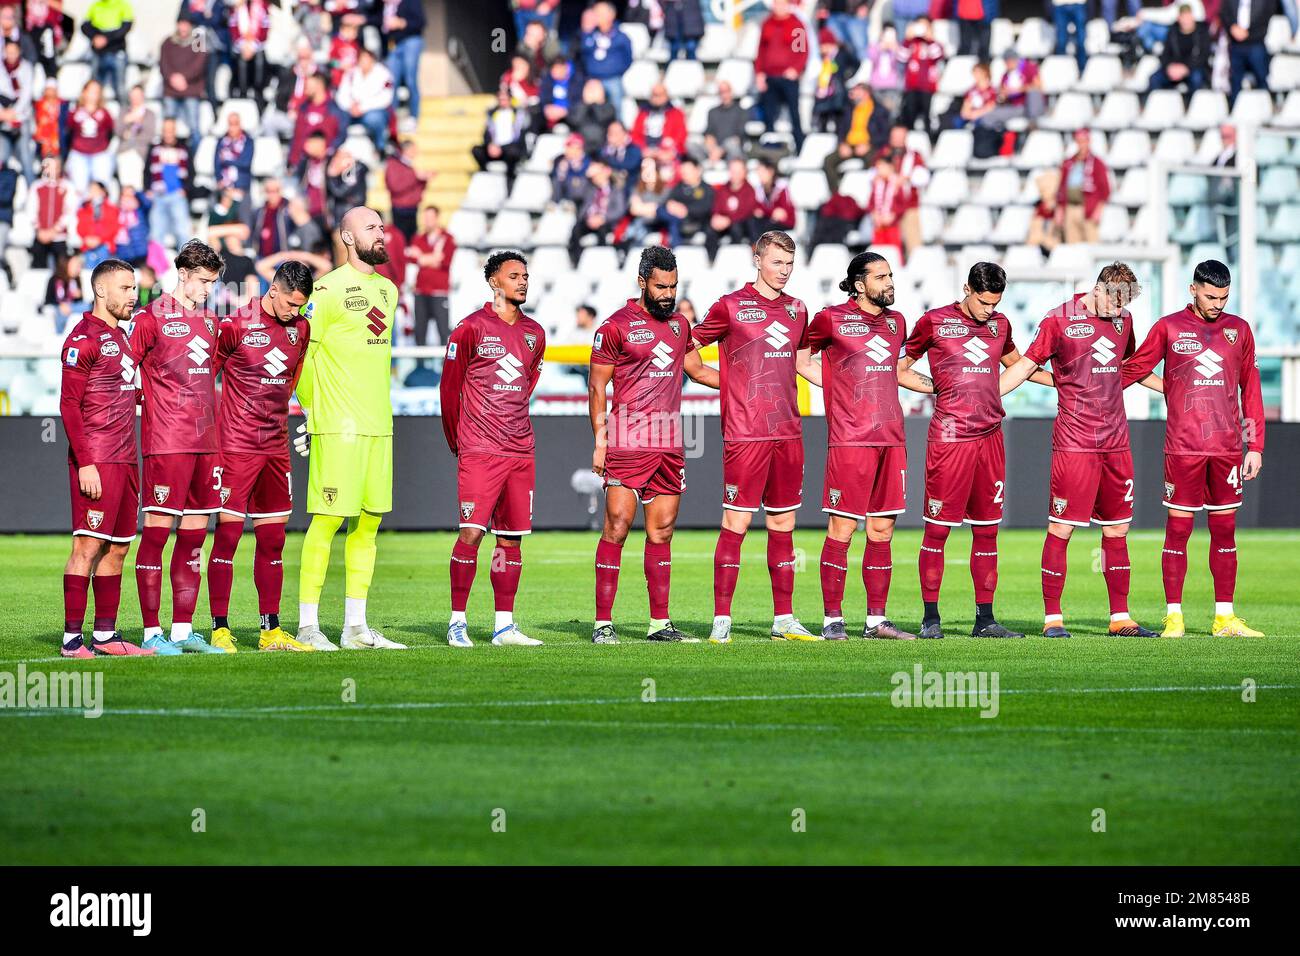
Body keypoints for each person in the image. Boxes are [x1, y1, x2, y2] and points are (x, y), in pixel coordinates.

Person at [1000, 262, 1163, 638]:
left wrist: (1178, 388)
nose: (1117, 312)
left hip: (1117, 441)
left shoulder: (1125, 321)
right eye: (1113, 303)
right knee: (1062, 526)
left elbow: (1131, 366)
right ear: (1099, 289)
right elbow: (1026, 365)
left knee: (1117, 528)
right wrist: (988, 396)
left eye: (1124, 305)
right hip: (1075, 442)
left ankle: (1120, 617)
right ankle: (1053, 619)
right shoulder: (1058, 320)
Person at [898, 262, 1053, 639]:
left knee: (986, 532)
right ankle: (930, 618)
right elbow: (900, 368)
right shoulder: (933, 322)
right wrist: (937, 388)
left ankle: (985, 620)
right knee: (938, 531)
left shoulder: (1001, 325)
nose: (989, 310)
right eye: (983, 302)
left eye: (995, 303)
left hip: (991, 437)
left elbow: (1019, 366)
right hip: (950, 438)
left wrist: (1066, 383)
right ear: (966, 288)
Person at [1121, 259, 1266, 638]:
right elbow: (1134, 369)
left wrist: (1256, 445)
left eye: (1223, 297)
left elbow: (1250, 388)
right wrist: (1090, 388)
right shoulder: (1169, 327)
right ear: (1193, 289)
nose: (1217, 303)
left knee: (1225, 532)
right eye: (1211, 295)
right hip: (1184, 448)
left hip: (1228, 448)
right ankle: (1174, 616)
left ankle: (1224, 618)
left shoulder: (1240, 330)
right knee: (1178, 531)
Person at [693, 231, 821, 644]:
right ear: (757, 259)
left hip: (788, 430)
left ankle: (783, 619)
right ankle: (722, 620)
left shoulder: (799, 309)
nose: (783, 271)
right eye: (776, 262)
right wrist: (718, 381)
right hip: (746, 433)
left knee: (784, 524)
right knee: (737, 523)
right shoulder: (730, 307)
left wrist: (848, 389)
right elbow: (686, 346)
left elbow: (803, 362)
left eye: (789, 263)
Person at [588, 245, 721, 644]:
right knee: (617, 527)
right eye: (661, 286)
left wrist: (745, 385)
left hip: (669, 443)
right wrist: (600, 441)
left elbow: (696, 370)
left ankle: (659, 624)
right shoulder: (615, 326)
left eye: (674, 286)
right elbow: (597, 385)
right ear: (642, 282)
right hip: (627, 441)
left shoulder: (681, 326)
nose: (668, 294)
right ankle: (602, 624)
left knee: (661, 532)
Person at [804, 252, 933, 640]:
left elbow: (896, 372)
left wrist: (941, 386)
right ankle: (832, 620)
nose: (889, 282)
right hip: (851, 440)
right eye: (880, 276)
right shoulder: (830, 318)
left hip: (892, 438)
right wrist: (837, 388)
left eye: (890, 274)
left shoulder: (897, 322)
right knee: (842, 528)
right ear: (860, 285)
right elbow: (799, 358)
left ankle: (876, 620)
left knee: (882, 530)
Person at [293, 206, 406, 650]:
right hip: (337, 425)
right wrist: (309, 412)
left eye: (381, 227)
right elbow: (301, 354)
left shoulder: (390, 291)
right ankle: (307, 626)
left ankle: (355, 628)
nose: (380, 234)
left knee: (369, 524)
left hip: (379, 423)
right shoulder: (325, 291)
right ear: (346, 236)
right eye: (370, 228)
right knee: (327, 521)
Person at [439, 251, 547, 647]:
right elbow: (449, 390)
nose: (522, 281)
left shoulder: (535, 332)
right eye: (514, 275)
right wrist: (459, 441)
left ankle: (504, 625)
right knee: (471, 533)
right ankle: (457, 621)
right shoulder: (470, 328)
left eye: (525, 275)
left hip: (519, 450)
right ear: (493, 282)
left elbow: (527, 384)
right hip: (480, 449)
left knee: (511, 538)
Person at [207, 260, 315, 653]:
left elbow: (291, 381)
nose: (294, 312)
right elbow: (206, 379)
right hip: (234, 446)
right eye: (290, 303)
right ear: (273, 290)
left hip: (275, 447)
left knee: (273, 541)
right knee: (229, 536)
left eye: (301, 306)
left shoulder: (301, 328)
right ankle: (220, 628)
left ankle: (270, 630)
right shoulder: (235, 324)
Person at [128, 239, 229, 655]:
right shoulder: (149, 318)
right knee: (155, 536)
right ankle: (152, 634)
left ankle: (183, 631)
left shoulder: (211, 322)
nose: (208, 289)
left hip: (207, 444)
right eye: (203, 281)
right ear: (183, 274)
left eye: (213, 282)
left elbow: (214, 374)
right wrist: (147, 402)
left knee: (193, 540)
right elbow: (122, 371)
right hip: (167, 443)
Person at [58, 258, 154, 658]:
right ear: (101, 291)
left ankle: (105, 635)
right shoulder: (82, 340)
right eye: (126, 288)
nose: (134, 295)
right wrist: (86, 463)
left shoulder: (125, 339)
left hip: (127, 458)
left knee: (117, 547)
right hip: (96, 459)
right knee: (87, 546)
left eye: (135, 288)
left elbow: (127, 392)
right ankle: (71, 639)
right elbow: (68, 405)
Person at [754, 0, 810, 151]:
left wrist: (796, 69)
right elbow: (761, 50)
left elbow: (802, 51)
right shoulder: (767, 24)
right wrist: (759, 73)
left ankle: (800, 146)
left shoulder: (795, 24)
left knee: (794, 113)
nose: (778, 7)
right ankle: (770, 147)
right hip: (770, 76)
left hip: (788, 78)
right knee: (769, 113)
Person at [160, 15, 208, 153]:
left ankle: (191, 158)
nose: (183, 27)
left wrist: (184, 77)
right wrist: (172, 78)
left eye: (186, 23)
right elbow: (164, 64)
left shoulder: (197, 41)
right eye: (181, 23)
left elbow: (200, 64)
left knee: (194, 127)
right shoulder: (168, 42)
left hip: (191, 90)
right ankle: (170, 155)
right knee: (168, 127)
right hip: (171, 90)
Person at [409, 206, 455, 349]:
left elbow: (444, 261)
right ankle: (420, 368)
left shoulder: (447, 238)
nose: (427, 221)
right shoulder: (418, 238)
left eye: (430, 217)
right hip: (421, 291)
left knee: (443, 331)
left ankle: (446, 367)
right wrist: (433, 258)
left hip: (439, 292)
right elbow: (413, 259)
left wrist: (422, 257)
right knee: (420, 332)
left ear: (437, 218)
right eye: (425, 217)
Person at [337, 47, 397, 153]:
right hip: (351, 110)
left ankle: (380, 148)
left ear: (372, 59)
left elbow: (385, 97)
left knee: (374, 119)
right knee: (338, 118)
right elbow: (342, 94)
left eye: (367, 58)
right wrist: (350, 106)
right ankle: (338, 149)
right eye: (362, 58)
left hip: (373, 110)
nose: (364, 62)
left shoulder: (384, 74)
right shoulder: (351, 73)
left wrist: (362, 107)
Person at [1056, 129, 1110, 245]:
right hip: (1070, 208)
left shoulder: (1097, 163)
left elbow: (1105, 189)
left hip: (1088, 208)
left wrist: (1098, 210)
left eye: (1084, 141)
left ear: (1089, 141)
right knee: (1072, 245)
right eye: (1079, 141)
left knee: (1092, 244)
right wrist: (1060, 209)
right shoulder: (1069, 162)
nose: (1082, 144)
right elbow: (1062, 186)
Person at [568, 159, 627, 266]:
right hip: (588, 220)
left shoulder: (616, 190)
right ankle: (577, 261)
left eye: (598, 172)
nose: (595, 175)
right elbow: (575, 194)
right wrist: (585, 175)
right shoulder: (589, 188)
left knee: (602, 231)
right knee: (576, 230)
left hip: (605, 222)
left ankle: (602, 262)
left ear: (607, 171)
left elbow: (619, 210)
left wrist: (603, 218)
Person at [146, 117, 192, 250]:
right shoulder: (154, 149)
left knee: (182, 232)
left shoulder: (184, 149)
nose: (168, 133)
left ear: (175, 131)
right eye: (165, 130)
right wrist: (147, 188)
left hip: (177, 195)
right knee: (156, 233)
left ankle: (186, 264)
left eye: (171, 130)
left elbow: (190, 171)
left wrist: (185, 189)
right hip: (158, 195)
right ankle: (157, 267)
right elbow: (147, 170)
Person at [579, 2, 633, 111]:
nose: (597, 16)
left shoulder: (621, 37)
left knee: (616, 104)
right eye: (596, 13)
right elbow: (583, 55)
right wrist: (585, 31)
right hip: (592, 79)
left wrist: (615, 71)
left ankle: (617, 126)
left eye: (601, 13)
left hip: (612, 79)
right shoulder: (589, 35)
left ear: (612, 15)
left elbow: (628, 58)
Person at [471, 89, 530, 187]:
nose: (503, 102)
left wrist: (502, 148)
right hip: (494, 147)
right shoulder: (492, 114)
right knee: (476, 150)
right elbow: (487, 134)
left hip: (510, 147)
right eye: (500, 99)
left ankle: (510, 182)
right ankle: (486, 176)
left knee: (513, 153)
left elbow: (520, 136)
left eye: (505, 99)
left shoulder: (518, 114)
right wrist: (490, 145)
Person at [65, 80, 114, 194]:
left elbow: (110, 132)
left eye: (96, 91)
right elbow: (69, 132)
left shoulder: (104, 113)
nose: (93, 94)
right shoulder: (75, 113)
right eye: (91, 91)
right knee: (79, 189)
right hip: (79, 153)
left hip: (99, 153)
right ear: (84, 92)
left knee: (101, 187)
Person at [1223, 0, 1276, 103]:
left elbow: (1266, 17)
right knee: (1235, 80)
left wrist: (1248, 34)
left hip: (1256, 43)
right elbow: (1224, 14)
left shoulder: (1264, 2)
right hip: (1236, 44)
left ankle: (1265, 105)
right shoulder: (1230, 2)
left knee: (1261, 76)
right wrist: (1232, 28)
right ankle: (1234, 107)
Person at [899, 17, 943, 139]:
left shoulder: (933, 44)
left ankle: (929, 139)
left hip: (927, 87)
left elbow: (937, 56)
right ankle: (909, 138)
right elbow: (901, 58)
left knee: (927, 114)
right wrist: (907, 39)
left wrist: (930, 40)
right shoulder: (912, 44)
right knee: (910, 112)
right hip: (911, 86)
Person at [81, 0, 133, 104]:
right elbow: (85, 26)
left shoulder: (122, 4)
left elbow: (126, 27)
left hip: (117, 52)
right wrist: (95, 37)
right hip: (98, 53)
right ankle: (95, 115)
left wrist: (106, 39)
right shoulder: (96, 5)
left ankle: (125, 115)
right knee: (95, 87)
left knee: (120, 88)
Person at [383, 0, 427, 123]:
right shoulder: (385, 6)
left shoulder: (410, 2)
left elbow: (421, 22)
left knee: (410, 79)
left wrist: (402, 23)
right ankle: (391, 121)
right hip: (393, 44)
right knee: (391, 81)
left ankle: (414, 116)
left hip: (411, 41)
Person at [812, 28, 860, 134]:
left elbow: (856, 63)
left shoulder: (842, 54)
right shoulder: (822, 58)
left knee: (839, 119)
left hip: (838, 92)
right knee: (823, 118)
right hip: (824, 93)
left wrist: (848, 75)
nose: (822, 49)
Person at [288, 73, 342, 167]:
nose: (305, 89)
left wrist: (325, 150)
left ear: (319, 85)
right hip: (301, 164)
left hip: (323, 165)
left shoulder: (334, 111)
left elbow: (338, 137)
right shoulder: (303, 108)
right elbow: (297, 137)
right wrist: (291, 162)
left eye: (308, 85)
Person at [0, 38, 35, 183]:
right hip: (2, 119)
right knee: (2, 157)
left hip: (21, 117)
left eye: (14, 52)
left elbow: (26, 94)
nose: (11, 55)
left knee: (26, 157)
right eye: (8, 52)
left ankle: (31, 188)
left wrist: (14, 113)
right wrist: (4, 113)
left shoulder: (26, 68)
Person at [709, 157, 758, 256]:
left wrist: (729, 220)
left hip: (741, 224)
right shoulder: (723, 189)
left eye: (738, 171)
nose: (735, 174)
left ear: (744, 172)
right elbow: (716, 207)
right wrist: (715, 217)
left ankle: (738, 257)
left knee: (737, 228)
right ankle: (711, 259)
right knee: (710, 230)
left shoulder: (749, 190)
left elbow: (746, 211)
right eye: (733, 171)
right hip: (723, 223)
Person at [32, 157, 74, 270]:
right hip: (40, 235)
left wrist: (55, 230)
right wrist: (39, 230)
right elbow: (31, 209)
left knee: (62, 269)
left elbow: (69, 211)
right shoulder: (37, 186)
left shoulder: (67, 186)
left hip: (59, 236)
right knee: (38, 268)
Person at [228, 0, 271, 110]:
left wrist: (253, 46)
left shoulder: (262, 6)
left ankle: (258, 93)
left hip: (256, 46)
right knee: (241, 63)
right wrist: (243, 45)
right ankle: (243, 92)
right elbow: (233, 26)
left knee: (260, 61)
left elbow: (265, 27)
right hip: (241, 48)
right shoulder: (236, 7)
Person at [385, 139, 429, 241]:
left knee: (411, 239)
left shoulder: (408, 165)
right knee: (401, 238)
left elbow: (413, 187)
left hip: (412, 208)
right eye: (414, 149)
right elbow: (395, 186)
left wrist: (423, 180)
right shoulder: (394, 164)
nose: (416, 152)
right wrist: (415, 176)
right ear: (407, 150)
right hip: (401, 209)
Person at [115, 84, 156, 192]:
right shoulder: (124, 112)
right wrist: (127, 120)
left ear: (143, 96)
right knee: (125, 181)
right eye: (133, 95)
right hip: (124, 151)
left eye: (137, 95)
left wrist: (130, 134)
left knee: (137, 182)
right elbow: (118, 131)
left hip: (141, 152)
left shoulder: (149, 114)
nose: (135, 98)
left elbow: (149, 135)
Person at [631, 84, 689, 153]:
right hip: (646, 147)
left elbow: (680, 136)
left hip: (667, 149)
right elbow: (635, 134)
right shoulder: (643, 112)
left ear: (666, 96)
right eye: (654, 95)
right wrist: (643, 149)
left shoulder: (676, 113)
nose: (657, 98)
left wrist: (666, 150)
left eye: (660, 95)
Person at [76, 181, 120, 270]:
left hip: (104, 245)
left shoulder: (111, 209)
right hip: (88, 245)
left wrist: (100, 239)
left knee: (103, 272)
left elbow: (113, 227)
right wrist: (87, 238)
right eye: (90, 190)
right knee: (89, 271)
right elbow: (80, 227)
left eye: (95, 189)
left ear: (103, 192)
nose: (92, 192)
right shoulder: (83, 209)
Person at [704, 80, 748, 164]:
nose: (724, 95)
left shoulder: (741, 111)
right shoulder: (712, 112)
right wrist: (711, 148)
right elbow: (709, 133)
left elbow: (738, 137)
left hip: (733, 151)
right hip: (715, 150)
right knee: (692, 145)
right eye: (721, 92)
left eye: (726, 91)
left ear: (731, 92)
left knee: (731, 144)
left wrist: (721, 150)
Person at [45, 253, 86, 335]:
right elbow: (48, 300)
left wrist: (78, 296)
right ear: (65, 264)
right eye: (75, 266)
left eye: (79, 266)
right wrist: (61, 305)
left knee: (86, 306)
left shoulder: (76, 280)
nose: (78, 269)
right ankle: (59, 335)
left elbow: (79, 301)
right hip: (58, 308)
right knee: (61, 311)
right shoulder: (54, 279)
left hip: (73, 307)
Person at [215, 111, 254, 194]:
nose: (232, 128)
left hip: (241, 184)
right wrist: (219, 179)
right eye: (230, 124)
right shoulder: (221, 142)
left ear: (240, 125)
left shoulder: (248, 142)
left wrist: (226, 161)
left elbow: (245, 163)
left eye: (235, 124)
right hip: (224, 184)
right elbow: (216, 163)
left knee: (233, 197)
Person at [1053, 0, 1089, 72]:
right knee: (1061, 40)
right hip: (1060, 4)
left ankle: (1082, 69)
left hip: (1079, 3)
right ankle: (1060, 70)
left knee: (1081, 40)